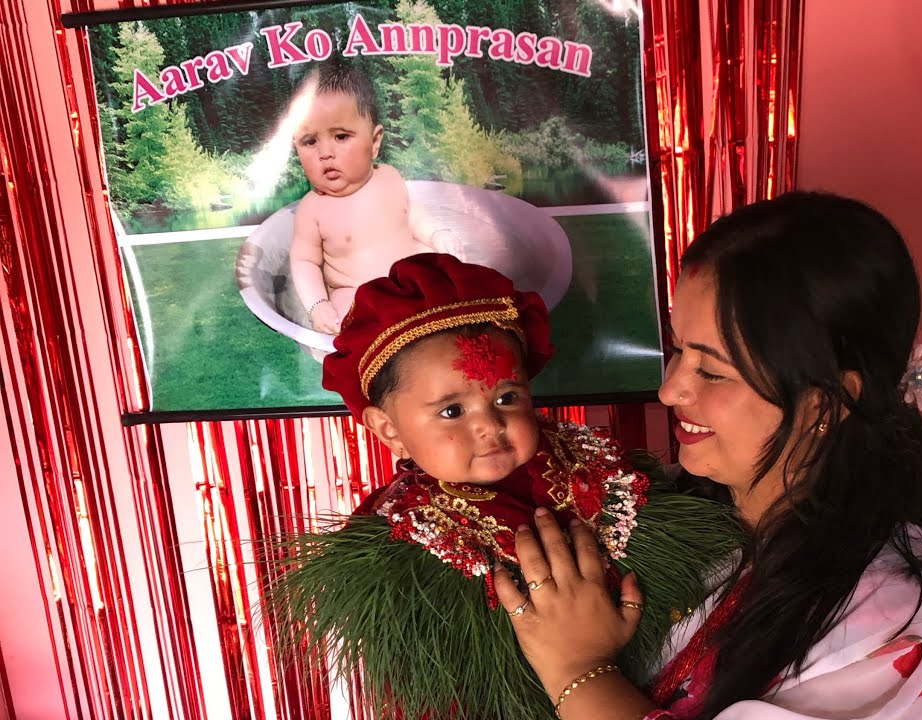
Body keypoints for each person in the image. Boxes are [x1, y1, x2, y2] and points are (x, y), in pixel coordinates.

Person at [492, 192, 922, 719]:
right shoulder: (672, 507)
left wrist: (578, 671)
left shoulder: (887, 623)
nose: (670, 391)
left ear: (826, 403)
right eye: (679, 350)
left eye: (712, 371)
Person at [265, 252, 742, 719]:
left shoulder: (593, 468)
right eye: (452, 411)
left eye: (508, 397)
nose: (490, 425)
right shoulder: (404, 543)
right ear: (388, 429)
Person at [287, 63, 460, 334]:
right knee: (345, 319)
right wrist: (318, 305)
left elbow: (409, 213)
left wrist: (437, 234)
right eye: (310, 141)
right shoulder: (313, 209)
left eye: (341, 136)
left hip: (412, 279)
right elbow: (304, 261)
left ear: (375, 141)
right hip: (355, 291)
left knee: (450, 280)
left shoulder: (389, 177)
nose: (325, 153)